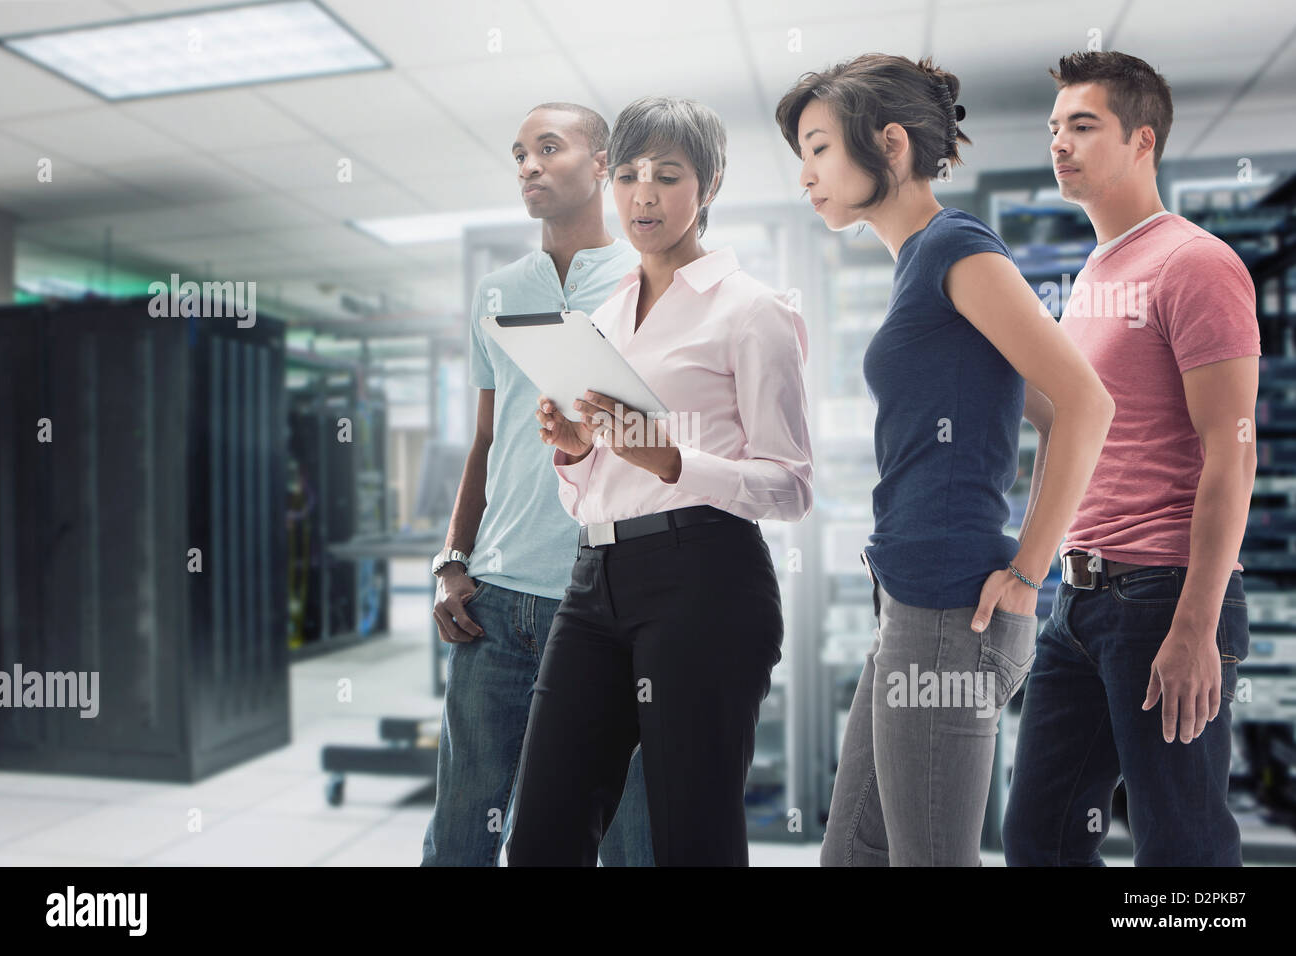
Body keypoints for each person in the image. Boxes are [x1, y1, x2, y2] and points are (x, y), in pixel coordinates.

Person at [775, 53, 1114, 866]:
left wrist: (1031, 576)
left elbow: (1085, 404)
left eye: (819, 148)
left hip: (951, 612)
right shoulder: (919, 264)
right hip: (914, 606)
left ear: (889, 144)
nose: (806, 175)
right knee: (852, 854)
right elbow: (1026, 400)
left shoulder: (955, 247)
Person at [504, 95, 813, 867]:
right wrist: (577, 450)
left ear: (706, 187)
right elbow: (596, 491)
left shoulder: (753, 311)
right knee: (542, 831)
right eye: (630, 175)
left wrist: (673, 461)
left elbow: (792, 486)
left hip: (705, 579)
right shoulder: (604, 313)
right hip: (596, 577)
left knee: (691, 839)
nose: (643, 195)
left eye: (667, 176)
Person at [1002, 51, 1260, 867]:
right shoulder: (1094, 275)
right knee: (1037, 838)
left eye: (1084, 126)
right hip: (1076, 605)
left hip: (1163, 597)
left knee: (1180, 847)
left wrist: (1197, 627)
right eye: (1054, 128)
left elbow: (1232, 450)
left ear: (1142, 140)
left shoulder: (1196, 263)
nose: (1060, 143)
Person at [421, 102, 653, 867]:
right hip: (497, 603)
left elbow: (670, 444)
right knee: (463, 826)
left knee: (618, 833)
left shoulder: (646, 278)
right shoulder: (498, 291)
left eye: (548, 148)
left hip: (602, 599)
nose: (527, 165)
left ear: (601, 165)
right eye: (518, 153)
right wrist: (454, 558)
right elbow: (485, 440)